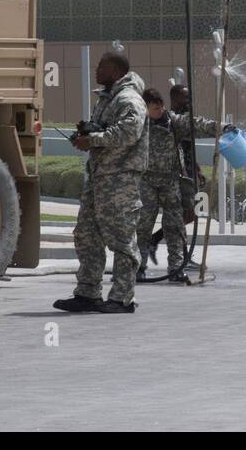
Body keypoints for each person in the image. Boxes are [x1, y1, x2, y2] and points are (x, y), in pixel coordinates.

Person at [53, 52, 146, 313]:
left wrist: (92, 139)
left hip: (119, 180)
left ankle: (122, 298)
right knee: (87, 234)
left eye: (101, 67)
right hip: (99, 178)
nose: (96, 71)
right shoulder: (109, 98)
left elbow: (128, 132)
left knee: (122, 239)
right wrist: (88, 131)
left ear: (115, 70)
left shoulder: (128, 99)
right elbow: (107, 129)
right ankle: (88, 293)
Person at [135, 87, 223, 283]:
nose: (157, 111)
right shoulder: (138, 123)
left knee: (175, 226)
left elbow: (197, 125)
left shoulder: (173, 122)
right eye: (152, 108)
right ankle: (138, 267)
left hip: (170, 181)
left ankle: (176, 268)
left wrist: (223, 127)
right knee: (143, 226)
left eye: (159, 107)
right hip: (147, 181)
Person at [146, 84, 206, 270]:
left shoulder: (179, 120)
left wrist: (196, 169)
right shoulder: (170, 120)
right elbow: (179, 149)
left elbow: (188, 148)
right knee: (183, 215)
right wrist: (187, 171)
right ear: (174, 99)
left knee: (188, 214)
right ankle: (158, 243)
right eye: (184, 98)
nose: (188, 102)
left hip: (187, 169)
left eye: (189, 98)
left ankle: (167, 248)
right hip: (177, 173)